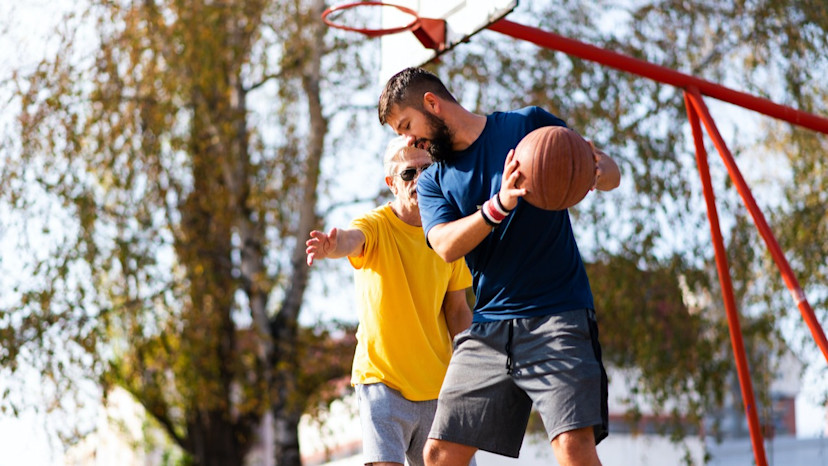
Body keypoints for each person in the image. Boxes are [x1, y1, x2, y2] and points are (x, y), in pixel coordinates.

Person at [377, 67, 621, 466]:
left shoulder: (527, 127)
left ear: (432, 104)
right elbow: (444, 245)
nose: (409, 140)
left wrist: (592, 169)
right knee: (439, 455)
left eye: (407, 126)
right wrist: (499, 204)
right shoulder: (433, 180)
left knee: (573, 448)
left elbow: (610, 172)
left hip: (557, 315)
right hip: (490, 328)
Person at [305, 137, 475, 466]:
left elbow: (457, 310)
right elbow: (354, 240)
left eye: (428, 169)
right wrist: (334, 245)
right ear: (391, 183)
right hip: (382, 381)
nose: (420, 179)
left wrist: (473, 367)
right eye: (409, 173)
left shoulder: (448, 233)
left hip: (438, 387)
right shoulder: (377, 225)